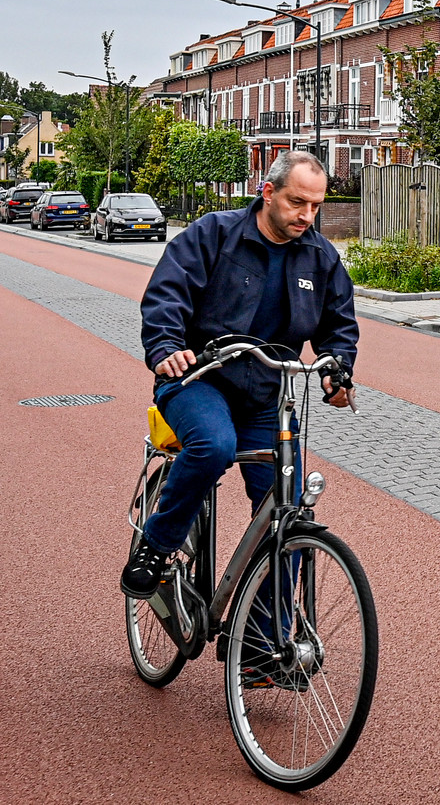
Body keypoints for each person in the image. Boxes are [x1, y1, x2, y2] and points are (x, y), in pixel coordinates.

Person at [122, 150, 359, 599]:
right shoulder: (214, 234)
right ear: (267, 192)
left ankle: (263, 655)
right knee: (214, 446)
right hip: (197, 379)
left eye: (315, 206)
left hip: (265, 395)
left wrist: (337, 368)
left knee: (288, 511)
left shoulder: (321, 257)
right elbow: (167, 295)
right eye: (296, 202)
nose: (307, 215)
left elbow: (339, 325)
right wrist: (166, 347)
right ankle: (157, 544)